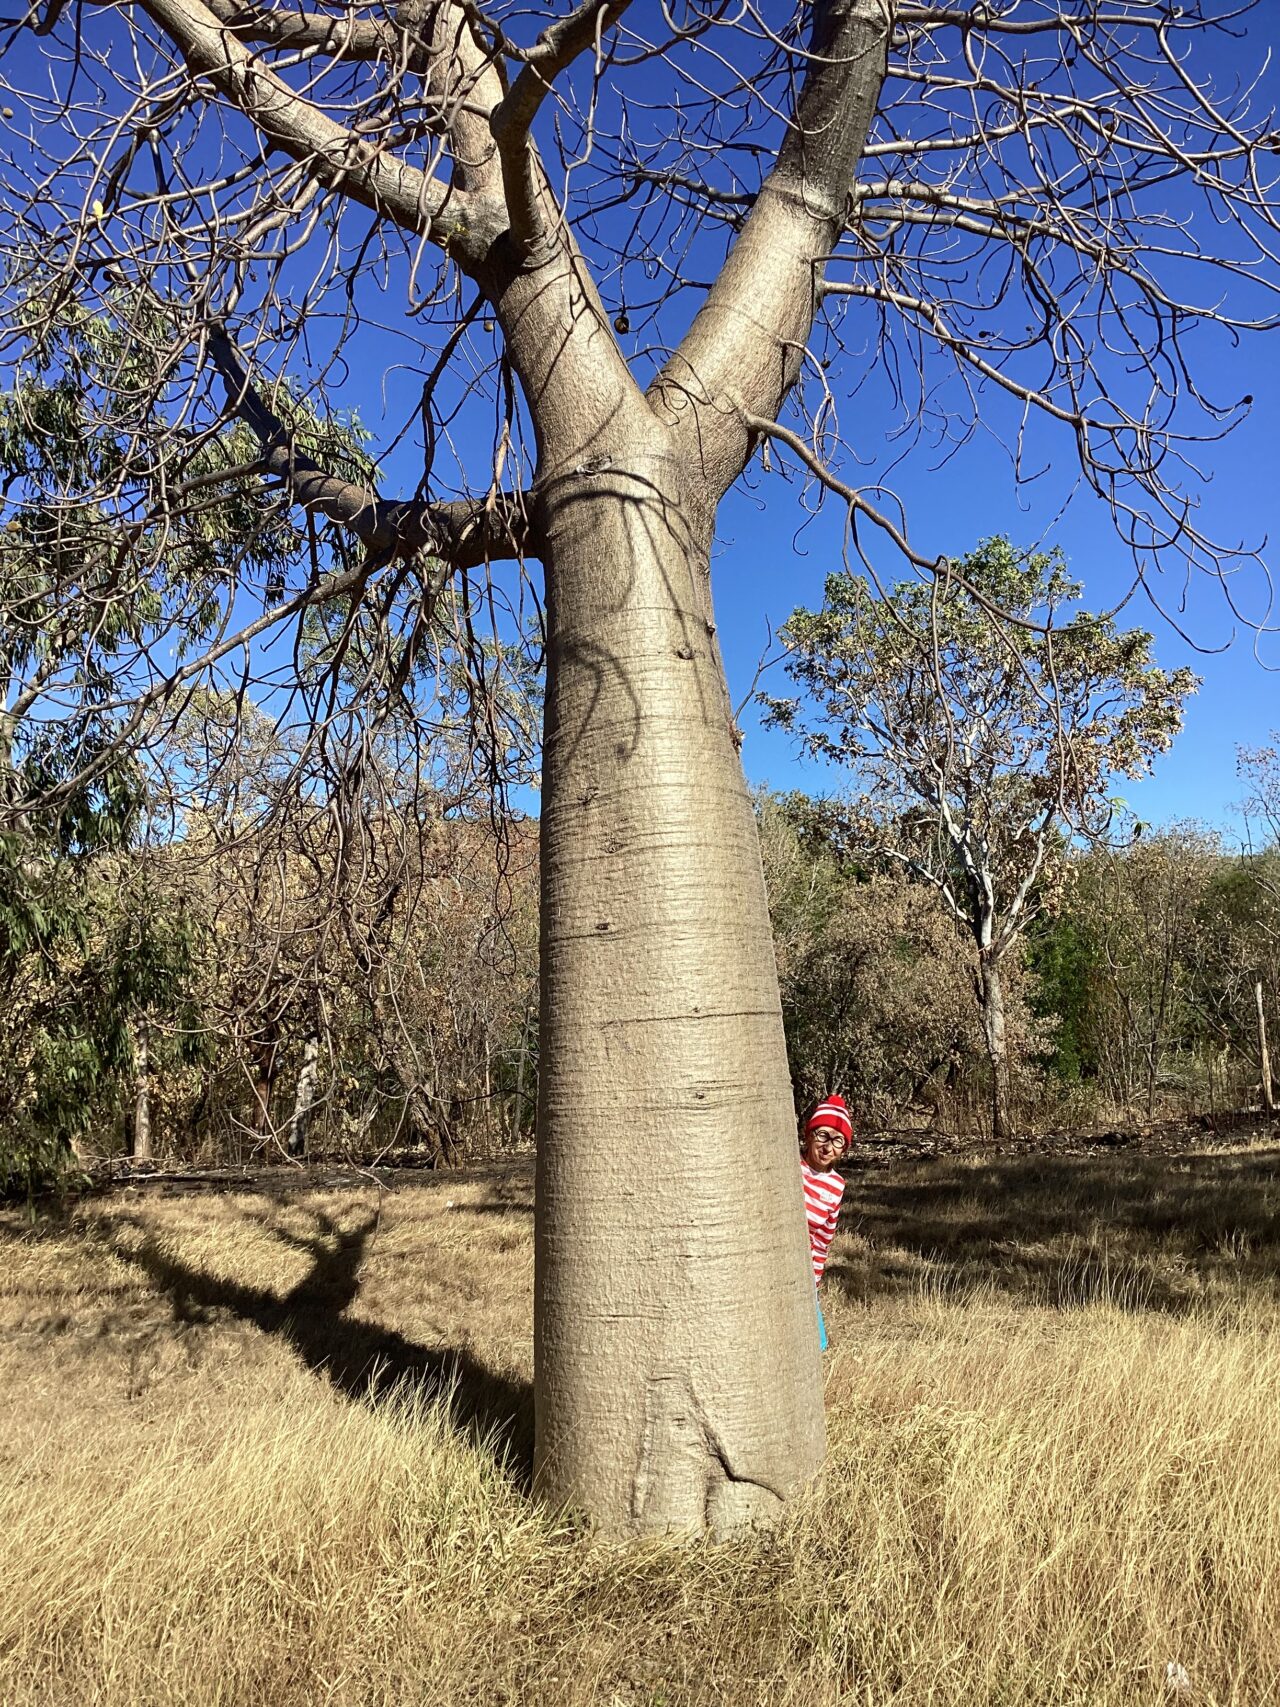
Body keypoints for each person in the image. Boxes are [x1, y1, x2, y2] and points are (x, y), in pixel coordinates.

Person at [799, 1095, 852, 1352]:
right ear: (809, 1135)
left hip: (805, 1270)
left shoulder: (837, 1185)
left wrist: (815, 1279)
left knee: (817, 1343)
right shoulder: (790, 1168)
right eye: (822, 1135)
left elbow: (823, 1240)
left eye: (837, 1141)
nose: (828, 1147)